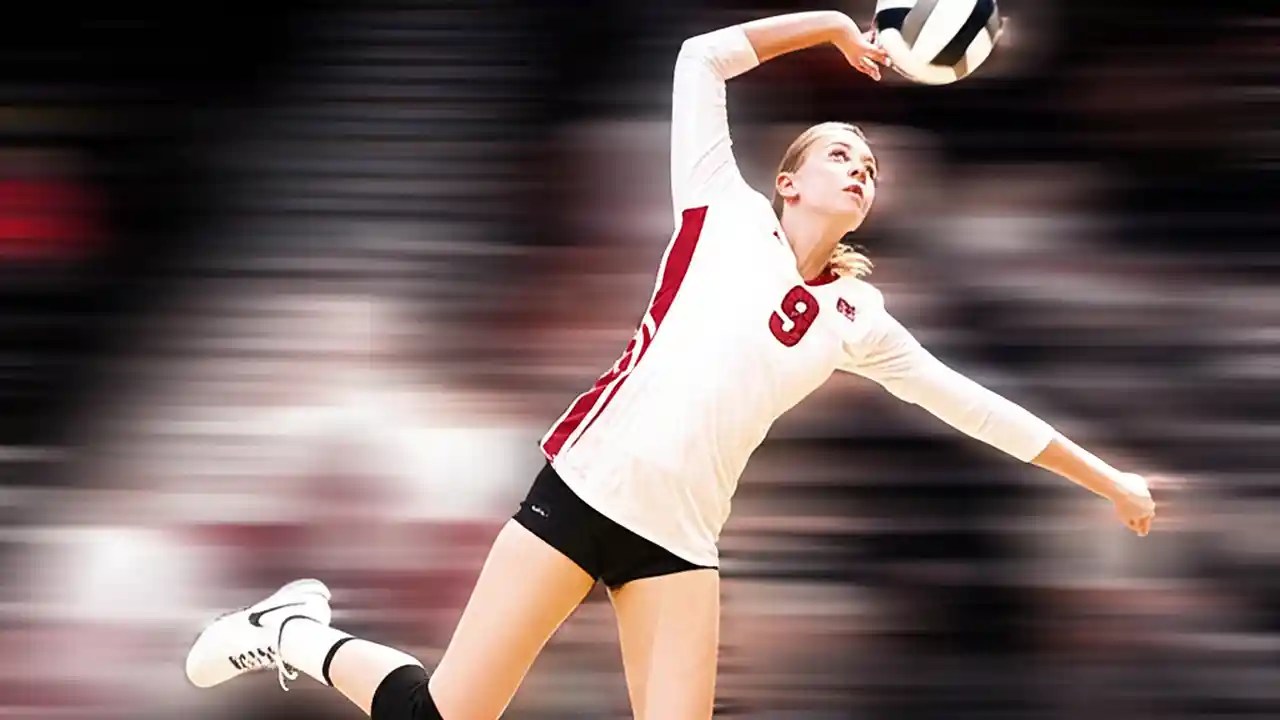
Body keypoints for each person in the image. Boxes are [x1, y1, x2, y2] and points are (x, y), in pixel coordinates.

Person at [184, 10, 1157, 720]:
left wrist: (1105, 478)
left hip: (678, 544)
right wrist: (826, 26)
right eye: (837, 150)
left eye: (867, 164)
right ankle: (292, 632)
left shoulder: (855, 314)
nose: (857, 165)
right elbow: (702, 58)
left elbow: (974, 407)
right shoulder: (718, 210)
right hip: (581, 492)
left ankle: (293, 632)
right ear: (786, 179)